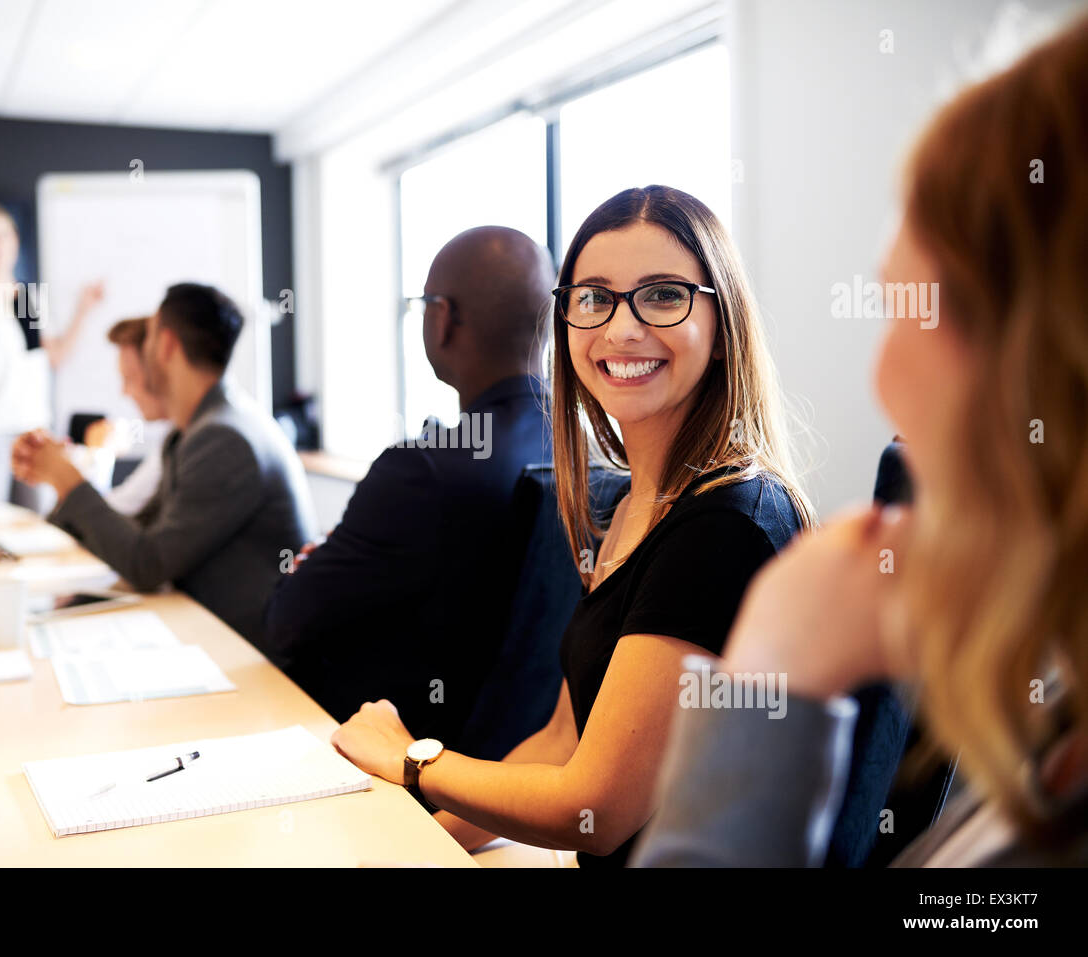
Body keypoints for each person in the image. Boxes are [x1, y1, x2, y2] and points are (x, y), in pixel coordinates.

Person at [634, 14, 1088, 868]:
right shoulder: (1055, 716)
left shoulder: (731, 514)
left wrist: (772, 672)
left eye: (936, 308)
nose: (884, 378)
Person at [331, 186, 814, 866]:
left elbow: (598, 810)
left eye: (664, 294)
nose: (621, 330)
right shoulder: (633, 502)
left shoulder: (724, 523)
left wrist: (411, 757)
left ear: (722, 317)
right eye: (593, 298)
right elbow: (563, 739)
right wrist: (423, 840)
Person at [262, 226, 557, 756]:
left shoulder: (420, 470)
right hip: (518, 767)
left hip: (398, 761)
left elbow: (287, 623)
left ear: (443, 318)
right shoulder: (583, 450)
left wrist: (316, 563)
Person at [12, 283, 317, 644]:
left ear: (168, 345)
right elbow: (140, 532)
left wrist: (69, 480)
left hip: (247, 653)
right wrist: (62, 477)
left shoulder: (224, 439)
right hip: (209, 633)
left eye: (150, 339)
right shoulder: (200, 428)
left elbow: (148, 565)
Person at [0, 201, 102, 507]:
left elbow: (53, 358)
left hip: (33, 433)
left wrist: (83, 310)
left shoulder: (28, 299)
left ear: (15, 241)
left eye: (1, 237)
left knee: (40, 525)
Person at [86, 316, 167, 516]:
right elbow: (120, 504)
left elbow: (114, 513)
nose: (124, 392)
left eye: (130, 378)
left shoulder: (190, 443)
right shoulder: (173, 437)